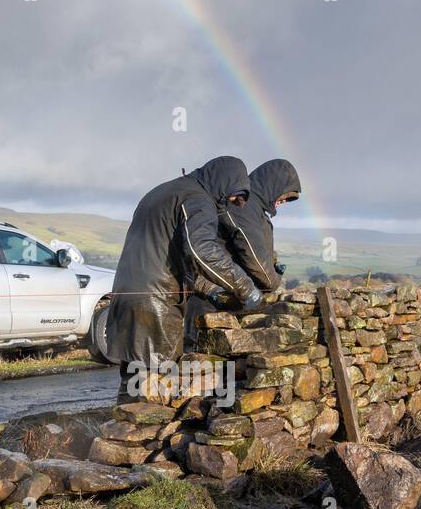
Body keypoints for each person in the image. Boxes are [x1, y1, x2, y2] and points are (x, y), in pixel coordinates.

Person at [106, 157, 262, 395]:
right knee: (158, 386)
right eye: (233, 195)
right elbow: (201, 249)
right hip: (156, 304)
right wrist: (244, 286)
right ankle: (149, 428)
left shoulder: (161, 192)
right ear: (224, 182)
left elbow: (168, 255)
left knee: (134, 380)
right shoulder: (197, 200)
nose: (231, 202)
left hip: (126, 294)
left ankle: (125, 429)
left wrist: (209, 290)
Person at [185, 159, 300, 347]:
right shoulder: (245, 207)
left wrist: (272, 266)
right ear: (272, 186)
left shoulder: (255, 208)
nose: (283, 201)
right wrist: (272, 283)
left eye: (288, 199)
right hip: (214, 296)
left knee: (219, 363)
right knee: (201, 356)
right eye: (284, 196)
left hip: (230, 292)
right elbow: (253, 255)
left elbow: (255, 252)